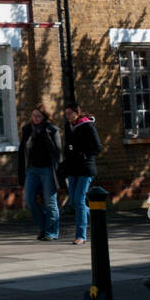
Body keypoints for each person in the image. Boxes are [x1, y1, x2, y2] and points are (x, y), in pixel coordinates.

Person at [17, 103, 61, 241]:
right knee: (28, 199)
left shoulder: (52, 130)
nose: (35, 118)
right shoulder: (27, 130)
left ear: (44, 117)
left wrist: (59, 172)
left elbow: (58, 153)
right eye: (33, 115)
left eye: (38, 116)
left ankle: (51, 232)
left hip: (48, 169)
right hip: (32, 169)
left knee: (50, 202)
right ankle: (44, 226)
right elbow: (22, 152)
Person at [62, 101, 101, 245]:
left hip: (85, 168)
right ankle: (98, 217)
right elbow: (68, 147)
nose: (68, 116)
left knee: (78, 200)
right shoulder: (69, 127)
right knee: (73, 200)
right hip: (73, 169)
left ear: (77, 113)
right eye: (66, 114)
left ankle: (81, 235)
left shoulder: (87, 126)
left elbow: (97, 147)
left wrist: (83, 155)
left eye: (70, 113)